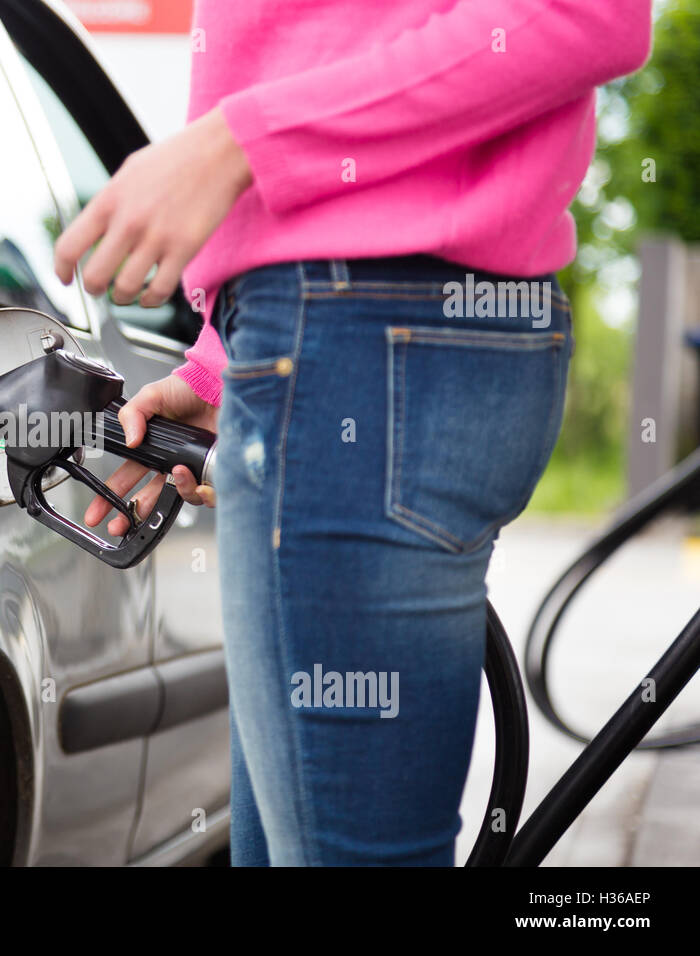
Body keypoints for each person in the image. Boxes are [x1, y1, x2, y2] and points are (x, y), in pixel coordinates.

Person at [53, 0, 653, 866]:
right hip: (344, 335)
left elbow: (584, 17)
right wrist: (223, 365)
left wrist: (239, 143)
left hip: (360, 334)